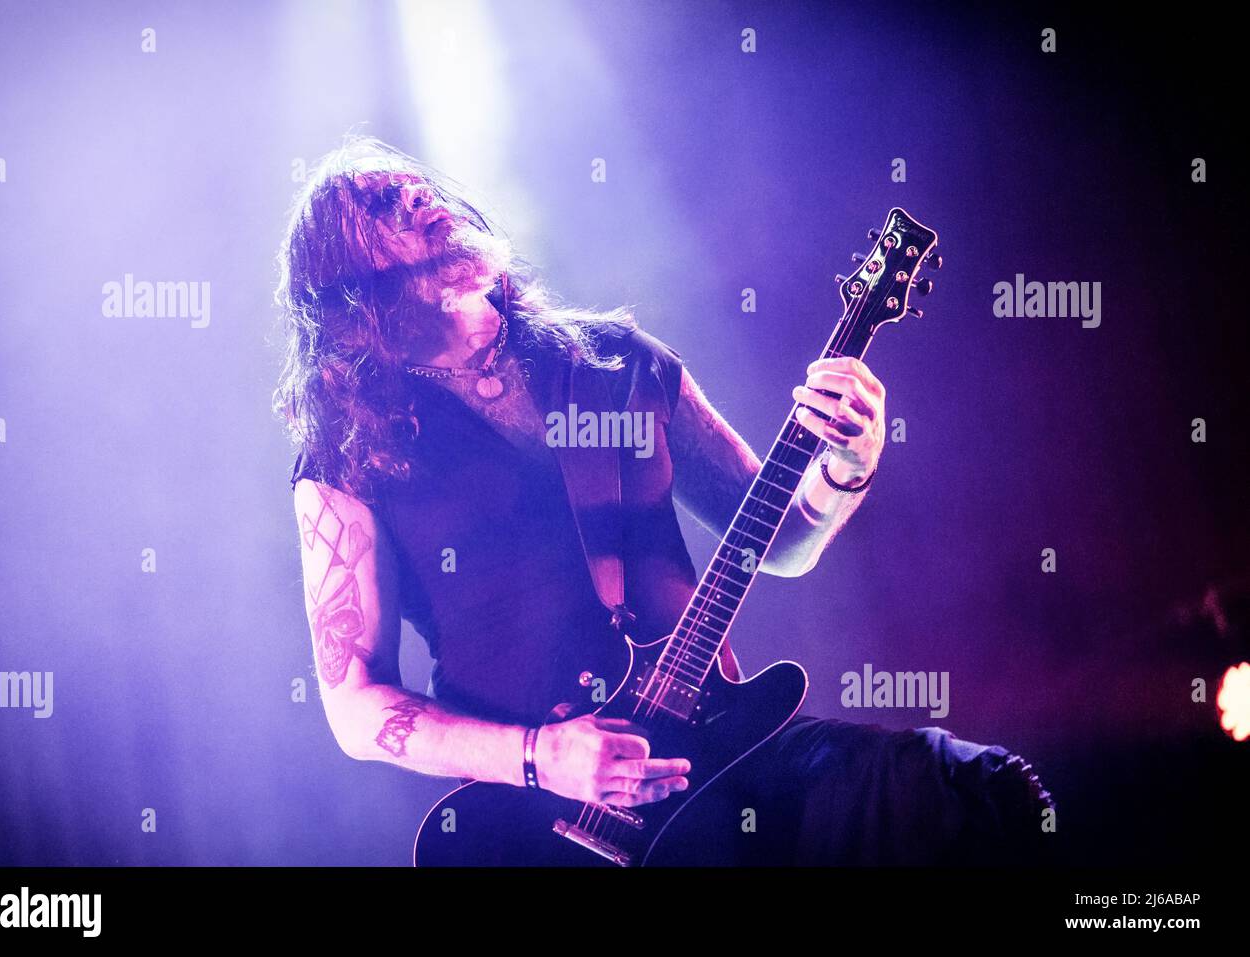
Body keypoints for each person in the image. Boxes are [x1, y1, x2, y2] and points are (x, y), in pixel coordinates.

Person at [274, 136, 1054, 865]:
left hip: (720, 748)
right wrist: (540, 756)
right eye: (379, 203)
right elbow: (354, 705)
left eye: (411, 182)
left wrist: (848, 461)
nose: (414, 192)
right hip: (545, 818)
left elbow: (777, 539)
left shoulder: (619, 362)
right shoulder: (353, 450)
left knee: (978, 797)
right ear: (345, 282)